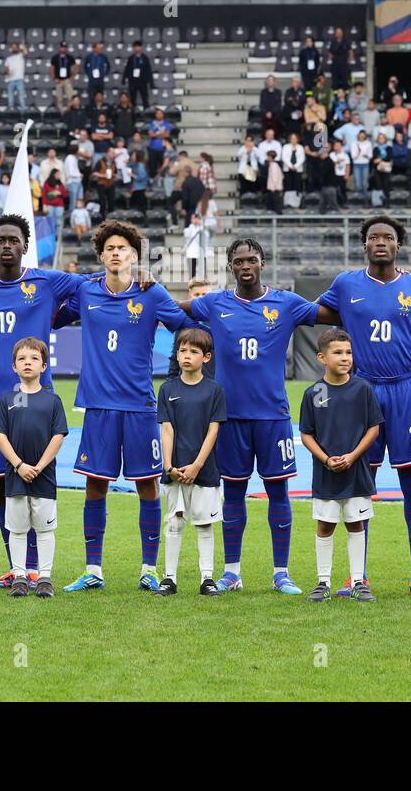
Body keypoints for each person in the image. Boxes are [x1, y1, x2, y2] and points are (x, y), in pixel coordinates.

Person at [167, 239, 318, 595]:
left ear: (262, 263)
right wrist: (143, 289)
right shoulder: (215, 303)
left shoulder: (287, 303)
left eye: (251, 259)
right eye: (238, 261)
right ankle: (232, 572)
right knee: (232, 493)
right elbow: (174, 308)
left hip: (273, 416)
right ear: (230, 267)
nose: (245, 265)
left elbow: (333, 313)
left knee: (278, 491)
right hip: (229, 417)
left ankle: (281, 573)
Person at [312, 218, 411, 596]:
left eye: (388, 237)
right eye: (374, 237)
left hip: (407, 392)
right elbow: (315, 313)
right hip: (363, 393)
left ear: (399, 245)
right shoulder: (346, 284)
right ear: (365, 245)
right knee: (359, 487)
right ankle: (358, 575)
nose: (380, 242)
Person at [59, 220, 194, 593]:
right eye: (110, 248)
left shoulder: (151, 293)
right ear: (101, 256)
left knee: (147, 486)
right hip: (99, 406)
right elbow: (52, 317)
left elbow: (185, 327)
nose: (116, 253)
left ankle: (149, 569)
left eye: (124, 248)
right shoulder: (86, 291)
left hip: (138, 406)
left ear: (134, 255)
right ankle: (93, 570)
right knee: (95, 485)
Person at [0, 215, 87, 589]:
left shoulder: (46, 280)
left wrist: (55, 318)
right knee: (4, 483)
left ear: (25, 246)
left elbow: (88, 290)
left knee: (36, 480)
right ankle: (18, 567)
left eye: (14, 239)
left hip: (35, 399)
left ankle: (35, 568)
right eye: (1, 239)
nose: (7, 244)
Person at [300, 329, 382, 603]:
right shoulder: (313, 392)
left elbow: (373, 427)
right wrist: (325, 459)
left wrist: (352, 456)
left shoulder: (362, 388)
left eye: (348, 352)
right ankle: (323, 582)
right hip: (326, 473)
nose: (345, 358)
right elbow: (306, 433)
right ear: (322, 357)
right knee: (325, 525)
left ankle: (359, 581)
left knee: (356, 524)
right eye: (337, 352)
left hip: (356, 471)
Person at [152, 327, 226, 598]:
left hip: (203, 470)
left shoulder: (214, 390)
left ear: (206, 357)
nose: (186, 356)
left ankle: (207, 578)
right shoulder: (167, 388)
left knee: (204, 524)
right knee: (175, 522)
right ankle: (169, 579)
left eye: (193, 352)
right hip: (174, 471)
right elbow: (167, 429)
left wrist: (196, 466)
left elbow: (213, 430)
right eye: (182, 351)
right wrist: (169, 466)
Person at [0, 337, 68, 598]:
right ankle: (20, 576)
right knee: (18, 528)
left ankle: (45, 577)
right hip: (16, 476)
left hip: (43, 476)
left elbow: (58, 436)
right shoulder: (7, 399)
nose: (28, 363)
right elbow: (0, 435)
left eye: (34, 358)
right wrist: (19, 465)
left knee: (45, 528)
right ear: (14, 366)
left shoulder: (53, 400)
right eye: (22, 359)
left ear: (44, 366)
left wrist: (39, 466)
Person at [49, 41, 76, 110]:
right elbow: (51, 69)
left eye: (64, 47)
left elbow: (76, 68)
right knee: (59, 99)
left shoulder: (70, 57)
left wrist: (72, 77)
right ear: (59, 48)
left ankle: (68, 112)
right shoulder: (55, 57)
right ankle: (62, 113)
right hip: (59, 80)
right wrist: (54, 79)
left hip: (67, 80)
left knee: (70, 97)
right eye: (62, 47)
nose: (63, 49)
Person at [3, 41, 27, 110]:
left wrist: (23, 46)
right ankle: (11, 112)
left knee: (21, 98)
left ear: (18, 48)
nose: (14, 48)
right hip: (10, 80)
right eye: (13, 47)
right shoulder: (8, 59)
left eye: (15, 47)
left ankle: (23, 114)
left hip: (19, 79)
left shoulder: (20, 56)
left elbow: (25, 52)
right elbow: (6, 70)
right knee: (10, 98)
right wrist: (7, 72)